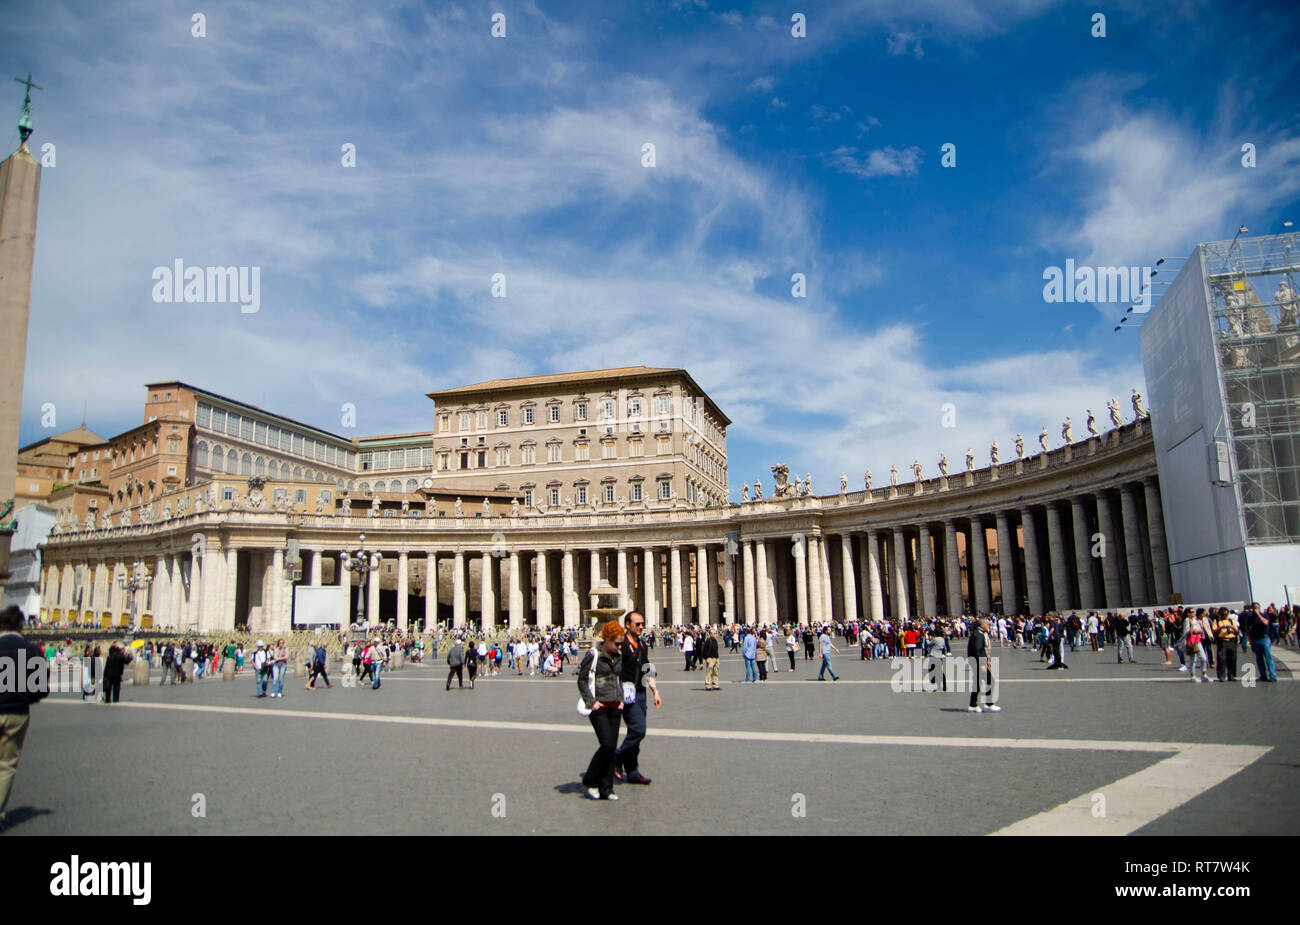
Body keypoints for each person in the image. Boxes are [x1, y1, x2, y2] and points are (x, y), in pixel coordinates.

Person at [0, 606, 47, 832]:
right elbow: (40, 689)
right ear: (21, 626)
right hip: (17, 713)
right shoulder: (32, 651)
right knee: (6, 766)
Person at [578, 622, 626, 801]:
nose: (619, 647)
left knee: (611, 748)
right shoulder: (594, 655)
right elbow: (582, 680)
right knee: (606, 744)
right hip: (599, 706)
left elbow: (620, 678)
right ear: (607, 640)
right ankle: (590, 780)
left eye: (621, 644)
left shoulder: (618, 656)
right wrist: (591, 702)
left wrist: (621, 699)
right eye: (617, 643)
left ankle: (607, 788)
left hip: (615, 706)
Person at [614, 611, 661, 785]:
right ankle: (616, 758)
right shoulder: (621, 646)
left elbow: (647, 668)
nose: (641, 627)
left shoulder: (642, 645)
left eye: (642, 623)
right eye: (637, 624)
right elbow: (613, 671)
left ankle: (632, 771)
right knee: (638, 730)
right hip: (626, 694)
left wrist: (655, 691)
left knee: (636, 734)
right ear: (627, 625)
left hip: (641, 694)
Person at [967, 616, 1001, 713]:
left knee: (977, 683)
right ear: (982, 625)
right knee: (990, 681)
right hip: (978, 662)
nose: (988, 625)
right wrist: (982, 664)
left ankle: (972, 704)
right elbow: (978, 650)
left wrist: (987, 660)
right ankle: (988, 703)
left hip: (975, 661)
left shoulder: (977, 633)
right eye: (986, 624)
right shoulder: (979, 635)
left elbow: (981, 650)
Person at [1212, 607, 1239, 682]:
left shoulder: (1231, 621)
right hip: (1222, 641)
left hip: (1231, 641)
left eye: (1226, 614)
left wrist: (1232, 627)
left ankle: (1231, 675)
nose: (1225, 616)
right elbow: (1214, 631)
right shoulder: (1216, 621)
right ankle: (1222, 675)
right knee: (1221, 659)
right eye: (1223, 615)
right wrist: (1220, 628)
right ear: (1219, 614)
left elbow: (1237, 631)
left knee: (1232, 659)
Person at [701, 626, 721, 691]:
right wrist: (706, 658)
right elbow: (704, 650)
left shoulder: (715, 640)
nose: (716, 634)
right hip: (710, 658)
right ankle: (708, 685)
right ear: (711, 634)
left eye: (716, 633)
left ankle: (715, 685)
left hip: (715, 658)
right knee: (709, 672)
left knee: (716, 672)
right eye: (715, 633)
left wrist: (718, 658)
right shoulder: (708, 641)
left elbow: (716, 650)